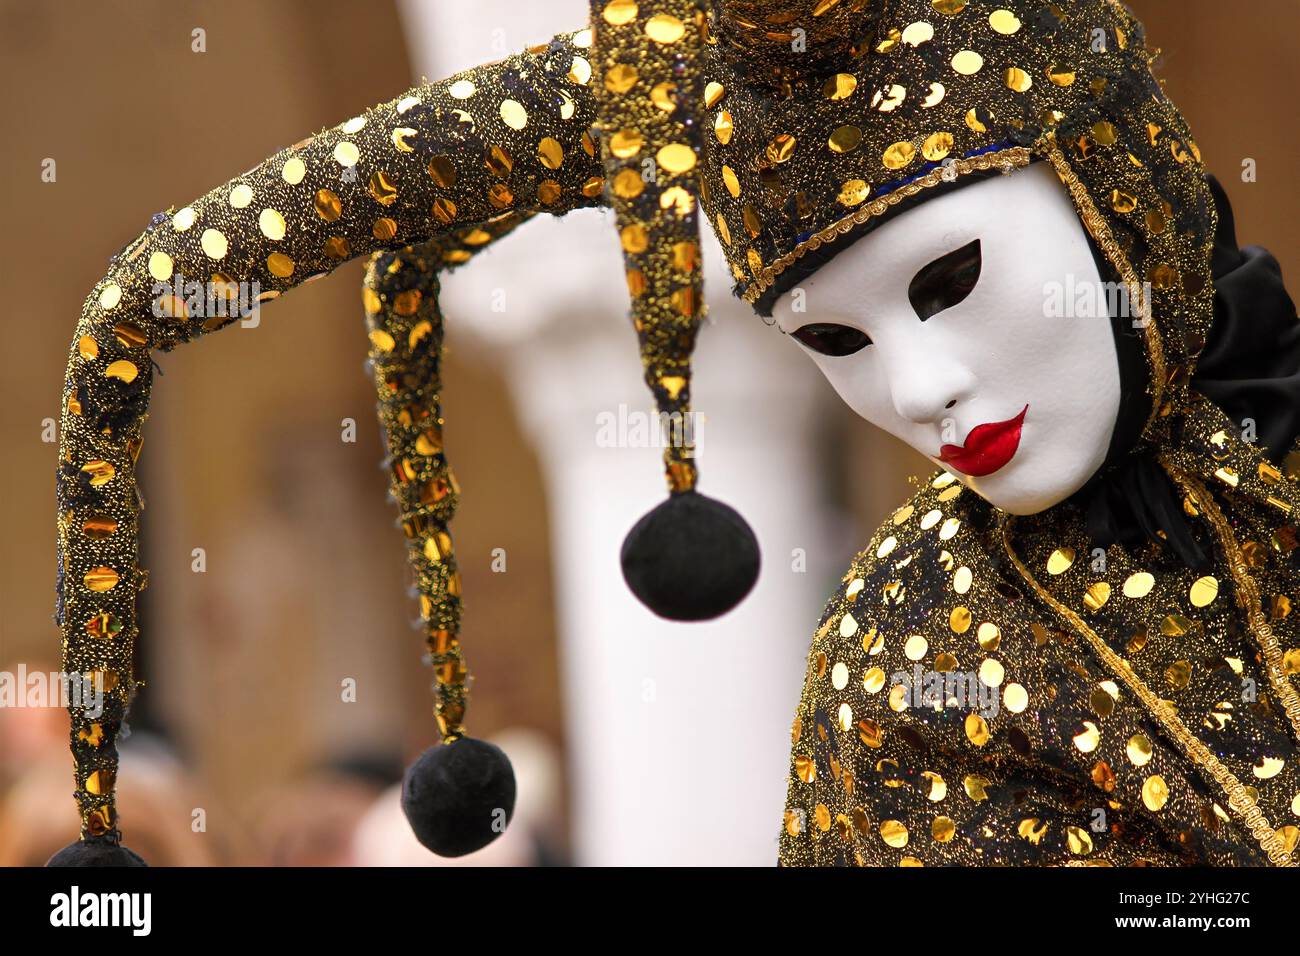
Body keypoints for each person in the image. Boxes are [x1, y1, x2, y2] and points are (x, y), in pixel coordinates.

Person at [49, 0, 1299, 867]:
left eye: (946, 277)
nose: (917, 389)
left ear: (1114, 182)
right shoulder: (904, 645)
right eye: (834, 340)